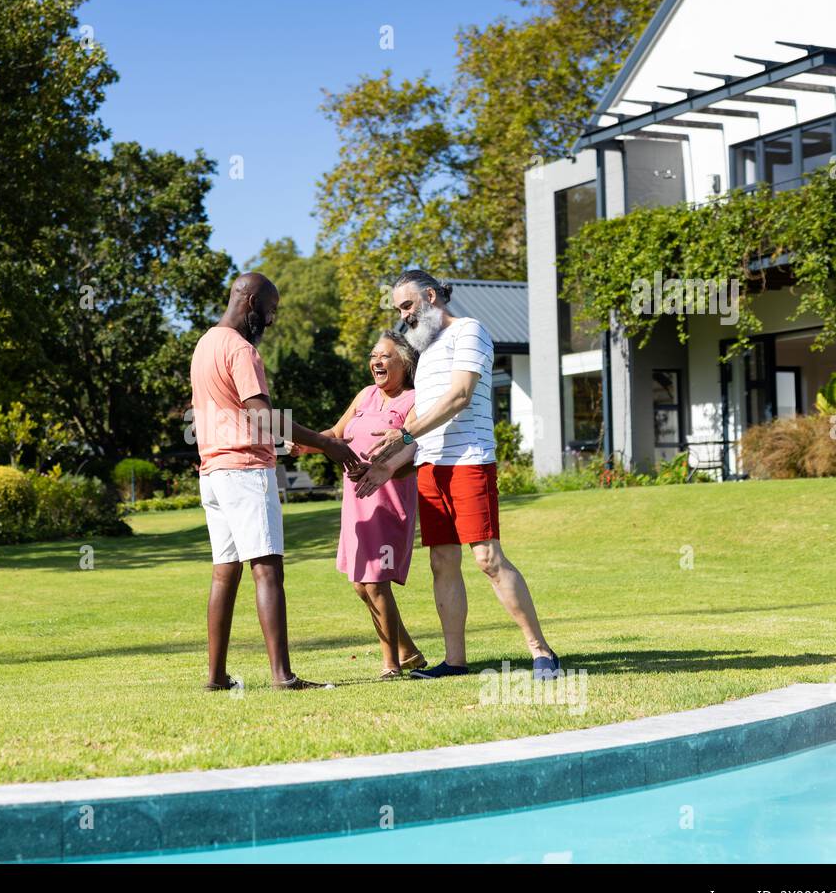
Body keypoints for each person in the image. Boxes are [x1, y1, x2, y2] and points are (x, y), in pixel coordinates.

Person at [356, 269, 561, 680]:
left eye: (408, 305)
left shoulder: (470, 330)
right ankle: (455, 661)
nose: (405, 316)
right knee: (442, 561)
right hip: (432, 467)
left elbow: (460, 395)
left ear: (431, 296)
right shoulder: (426, 351)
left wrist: (406, 431)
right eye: (399, 309)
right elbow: (421, 420)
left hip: (469, 461)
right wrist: (389, 465)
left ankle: (542, 652)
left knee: (487, 558)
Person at [190, 272, 360, 691]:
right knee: (267, 571)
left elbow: (237, 417)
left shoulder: (205, 344)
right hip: (246, 471)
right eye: (270, 311)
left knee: (223, 574)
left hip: (213, 473)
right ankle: (282, 677)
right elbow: (261, 417)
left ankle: (215, 678)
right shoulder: (240, 350)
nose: (270, 321)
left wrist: (293, 443)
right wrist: (325, 443)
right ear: (250, 302)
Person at [293, 331, 427, 679]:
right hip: (356, 500)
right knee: (359, 582)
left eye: (385, 356)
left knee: (376, 581)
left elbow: (415, 449)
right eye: (373, 356)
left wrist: (387, 469)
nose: (376, 362)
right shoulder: (365, 396)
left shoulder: (415, 400)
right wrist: (304, 444)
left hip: (389, 497)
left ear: (404, 362)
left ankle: (391, 666)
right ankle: (408, 650)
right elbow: (335, 435)